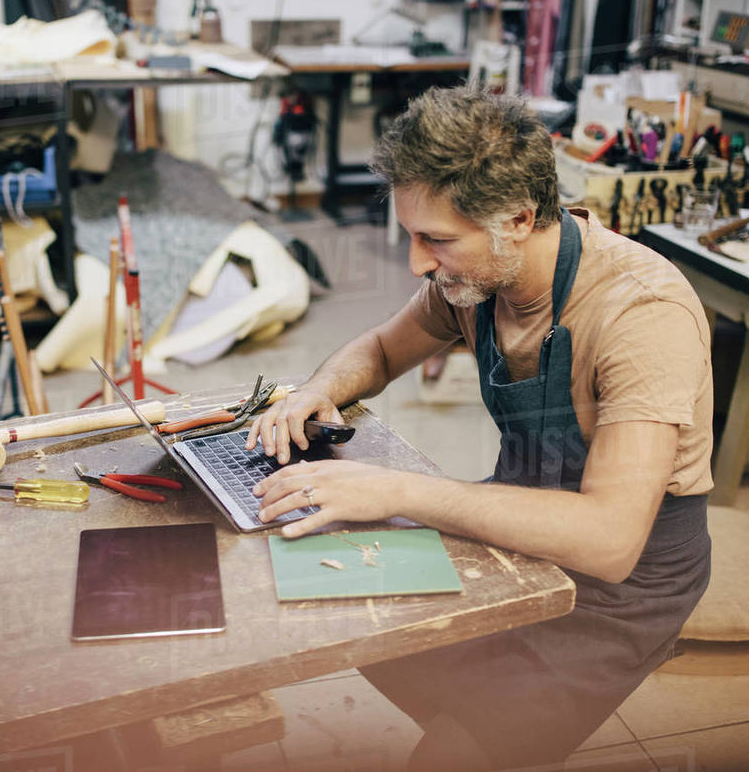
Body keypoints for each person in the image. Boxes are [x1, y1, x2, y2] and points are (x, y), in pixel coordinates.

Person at [246, 86, 713, 770]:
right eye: (412, 235)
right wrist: (316, 390)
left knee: (443, 757)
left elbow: (611, 540)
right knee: (347, 614)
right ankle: (500, 728)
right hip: (515, 529)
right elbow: (378, 350)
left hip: (624, 583)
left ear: (519, 218)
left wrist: (397, 491)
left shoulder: (641, 313)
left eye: (435, 240)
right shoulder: (477, 281)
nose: (417, 264)